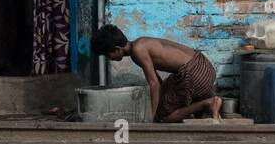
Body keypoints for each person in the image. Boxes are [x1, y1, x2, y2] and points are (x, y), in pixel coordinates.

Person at [91, 25, 221, 122]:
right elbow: (159, 83)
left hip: (194, 74)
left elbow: (154, 84)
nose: (109, 59)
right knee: (167, 93)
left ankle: (207, 103)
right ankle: (205, 109)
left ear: (117, 49)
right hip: (204, 66)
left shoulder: (137, 51)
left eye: (107, 55)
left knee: (164, 117)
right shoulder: (141, 42)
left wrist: (152, 117)